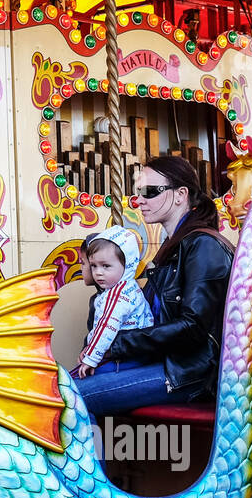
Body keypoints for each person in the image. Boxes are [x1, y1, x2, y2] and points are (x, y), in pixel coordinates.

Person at [74, 156, 234, 418]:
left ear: (181, 194)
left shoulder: (203, 246)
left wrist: (118, 344)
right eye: (139, 193)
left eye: (150, 192)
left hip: (189, 372)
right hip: (165, 362)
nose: (140, 201)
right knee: (64, 387)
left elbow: (193, 326)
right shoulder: (174, 246)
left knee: (74, 399)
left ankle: (97, 460)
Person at [74, 226, 154, 379]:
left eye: (106, 266)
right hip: (134, 356)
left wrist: (91, 357)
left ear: (127, 265)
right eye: (94, 266)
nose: (98, 272)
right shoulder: (126, 288)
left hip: (125, 360)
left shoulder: (119, 294)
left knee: (80, 382)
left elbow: (106, 326)